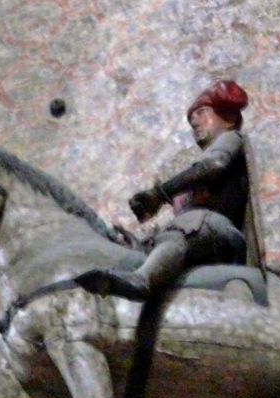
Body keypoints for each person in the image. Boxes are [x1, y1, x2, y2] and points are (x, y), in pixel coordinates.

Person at [78, 80, 252, 302]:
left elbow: (214, 164)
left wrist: (160, 194)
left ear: (228, 120)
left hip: (222, 234)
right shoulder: (198, 167)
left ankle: (141, 280)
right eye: (191, 120)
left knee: (192, 220)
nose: (195, 122)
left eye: (202, 113)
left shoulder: (230, 138)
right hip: (198, 237)